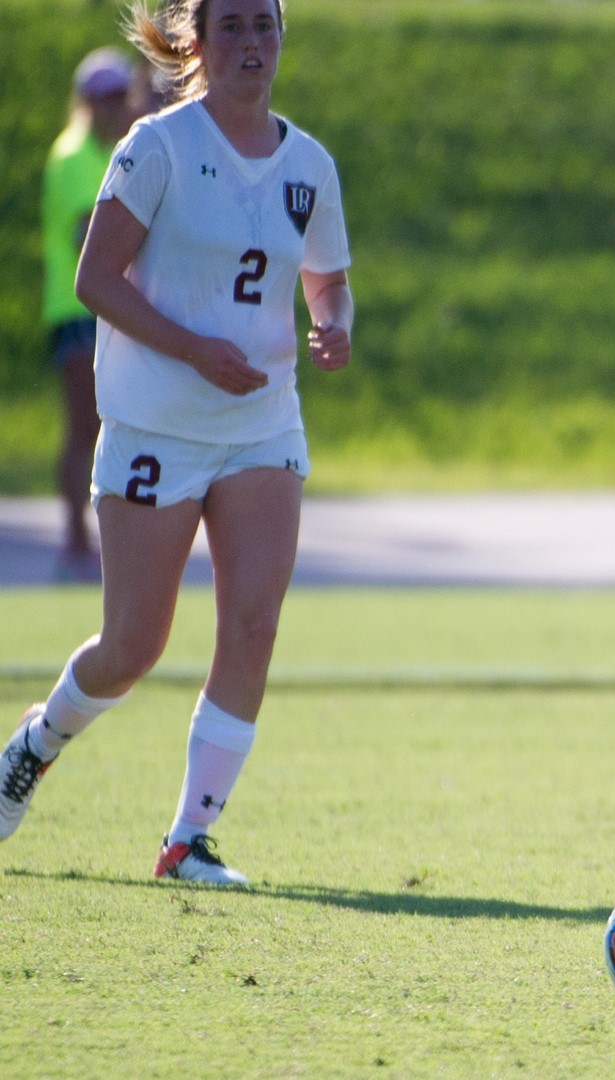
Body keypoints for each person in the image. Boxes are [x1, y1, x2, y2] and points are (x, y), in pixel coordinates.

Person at [1, 0, 354, 887]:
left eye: (264, 27)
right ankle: (34, 746)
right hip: (158, 422)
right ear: (195, 43)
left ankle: (188, 839)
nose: (252, 44)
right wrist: (195, 349)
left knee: (254, 623)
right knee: (133, 645)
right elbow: (94, 280)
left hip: (262, 423)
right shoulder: (155, 147)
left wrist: (333, 326)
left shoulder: (309, 164)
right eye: (230, 27)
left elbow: (328, 283)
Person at [41, 48, 141, 581]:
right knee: (85, 426)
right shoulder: (74, 154)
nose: (113, 107)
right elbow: (90, 234)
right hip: (75, 306)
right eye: (103, 97)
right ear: (86, 103)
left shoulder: (115, 153)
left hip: (110, 306)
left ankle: (95, 539)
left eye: (120, 96)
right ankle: (76, 539)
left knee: (110, 423)